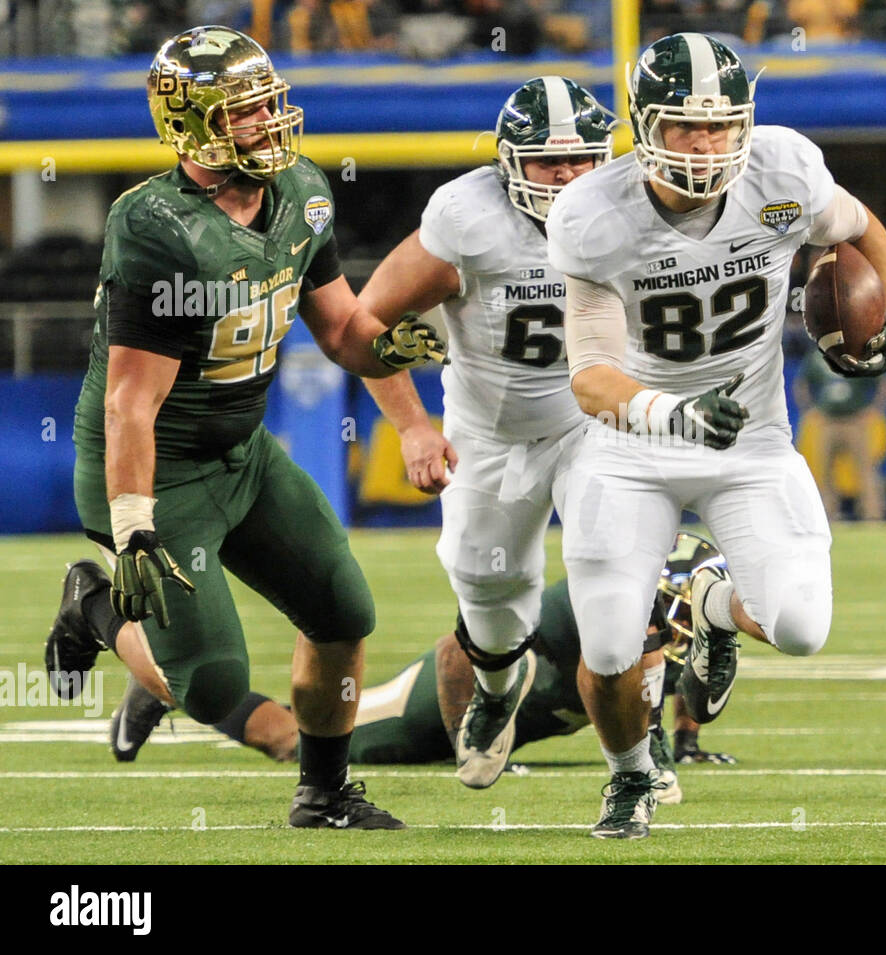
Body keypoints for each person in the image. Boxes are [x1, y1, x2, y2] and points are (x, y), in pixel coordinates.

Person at [44, 26, 449, 831]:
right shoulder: (155, 224)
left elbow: (340, 329)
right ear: (191, 120)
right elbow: (132, 403)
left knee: (343, 611)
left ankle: (323, 794)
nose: (266, 117)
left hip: (243, 453)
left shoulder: (300, 189)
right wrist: (131, 526)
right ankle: (93, 607)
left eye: (267, 100)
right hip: (156, 466)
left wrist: (396, 376)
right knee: (212, 683)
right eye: (243, 109)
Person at [546, 32, 886, 838]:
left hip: (748, 443)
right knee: (609, 648)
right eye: (686, 126)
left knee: (803, 626)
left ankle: (708, 606)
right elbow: (589, 378)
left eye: (721, 124)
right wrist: (668, 412)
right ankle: (630, 775)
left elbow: (861, 226)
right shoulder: (592, 214)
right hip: (631, 446)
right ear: (646, 125)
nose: (707, 143)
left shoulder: (783, 170)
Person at [347, 77, 614, 791]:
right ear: (507, 162)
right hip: (489, 433)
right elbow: (363, 325)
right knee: (488, 589)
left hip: (591, 420)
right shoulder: (468, 219)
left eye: (582, 159)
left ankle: (638, 766)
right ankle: (498, 691)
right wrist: (411, 427)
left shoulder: (634, 208)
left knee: (614, 561)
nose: (566, 175)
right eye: (547, 162)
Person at [109, 532, 741, 806]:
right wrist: (484, 741)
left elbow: (674, 687)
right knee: (292, 742)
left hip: (513, 719)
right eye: (682, 604)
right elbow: (456, 650)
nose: (683, 622)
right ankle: (135, 653)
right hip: (441, 711)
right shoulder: (582, 602)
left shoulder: (661, 641)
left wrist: (686, 740)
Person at [794, 350, 886, 520]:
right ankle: (826, 515)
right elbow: (801, 384)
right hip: (827, 421)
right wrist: (809, 409)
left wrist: (876, 409)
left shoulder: (862, 353)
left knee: (866, 469)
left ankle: (873, 514)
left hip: (855, 420)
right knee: (823, 470)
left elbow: (885, 382)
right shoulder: (817, 356)